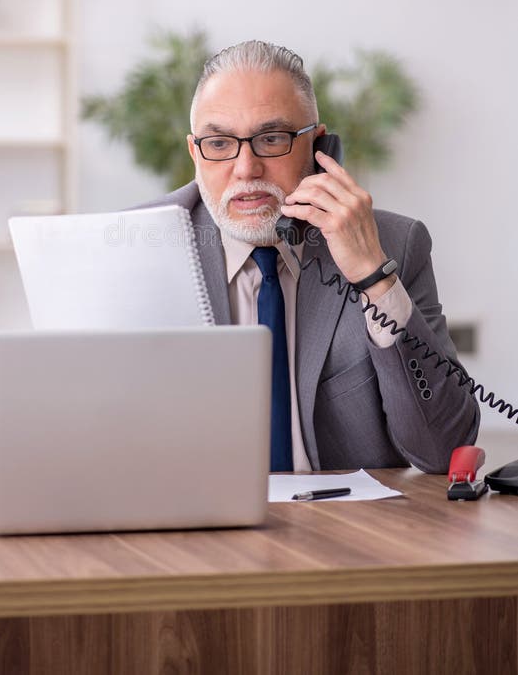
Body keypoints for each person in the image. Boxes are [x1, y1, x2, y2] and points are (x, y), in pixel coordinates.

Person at [147, 40, 479, 473]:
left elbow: (442, 450)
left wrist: (373, 278)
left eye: (271, 139)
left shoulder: (395, 244)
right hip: (194, 526)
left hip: (340, 530)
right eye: (220, 143)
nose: (246, 168)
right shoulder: (146, 245)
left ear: (319, 149)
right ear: (195, 153)